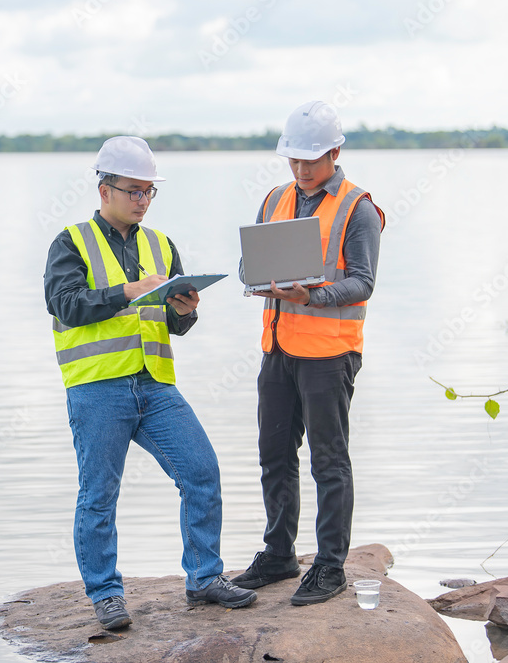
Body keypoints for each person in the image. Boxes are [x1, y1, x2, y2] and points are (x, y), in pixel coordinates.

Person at [44, 136, 256, 630]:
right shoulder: (70, 242)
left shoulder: (162, 245)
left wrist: (185, 311)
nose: (142, 199)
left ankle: (204, 578)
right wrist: (125, 291)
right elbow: (65, 305)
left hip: (156, 385)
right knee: (99, 494)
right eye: (134, 190)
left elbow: (173, 323)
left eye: (148, 191)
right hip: (98, 388)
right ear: (105, 189)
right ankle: (106, 594)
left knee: (202, 472)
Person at [232, 101, 385, 605]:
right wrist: (254, 280)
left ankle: (329, 566)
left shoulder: (357, 207)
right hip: (277, 350)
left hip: (329, 355)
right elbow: (246, 264)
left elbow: (362, 282)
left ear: (335, 153)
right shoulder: (275, 197)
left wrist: (312, 295)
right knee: (274, 456)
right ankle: (279, 554)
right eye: (294, 160)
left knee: (328, 461)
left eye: (310, 161)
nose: (300, 170)